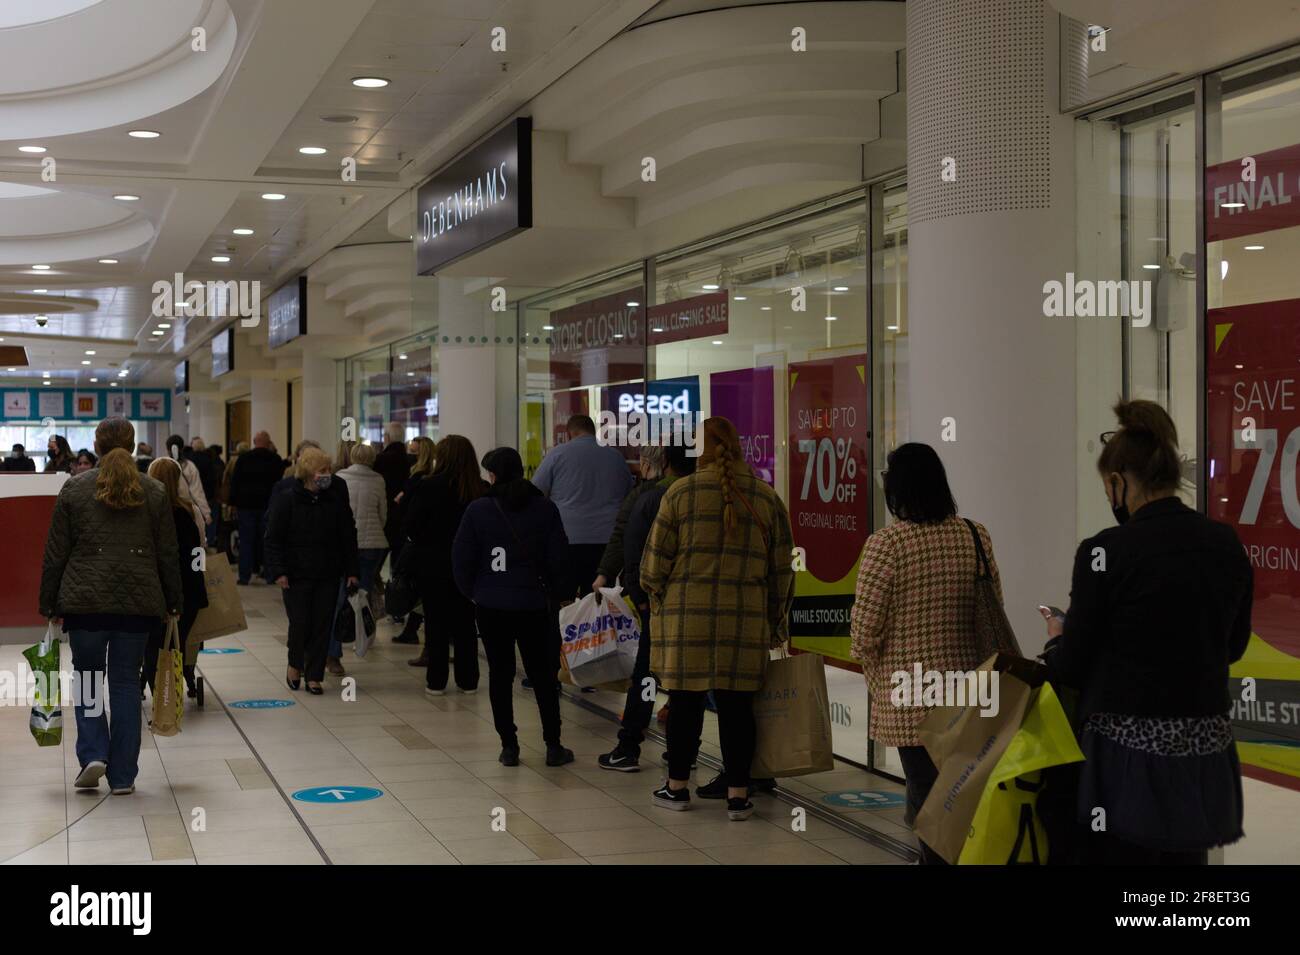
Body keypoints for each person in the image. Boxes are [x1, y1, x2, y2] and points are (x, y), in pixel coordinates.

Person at [1040, 400, 1252, 866]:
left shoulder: (1104, 552)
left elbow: (1073, 665)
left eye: (1107, 487)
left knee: (1117, 855)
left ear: (1119, 481)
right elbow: (1233, 645)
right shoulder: (1225, 543)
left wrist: (1058, 636)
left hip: (1125, 752)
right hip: (1204, 749)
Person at [848, 442, 1001, 864]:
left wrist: (867, 658)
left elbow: (864, 631)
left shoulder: (887, 544)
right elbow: (994, 608)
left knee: (926, 790)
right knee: (957, 790)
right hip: (968, 690)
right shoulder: (974, 534)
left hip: (909, 692)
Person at [641, 417, 795, 821]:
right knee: (737, 707)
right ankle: (738, 796)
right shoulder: (765, 497)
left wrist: (658, 599)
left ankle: (676, 788)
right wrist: (776, 620)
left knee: (685, 703)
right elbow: (782, 569)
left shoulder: (680, 493)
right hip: (744, 620)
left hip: (686, 618)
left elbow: (653, 566)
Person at [38, 416, 182, 796]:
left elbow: (56, 553)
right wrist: (173, 601)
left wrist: (48, 601)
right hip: (137, 605)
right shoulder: (153, 491)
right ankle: (123, 776)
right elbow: (168, 553)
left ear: (97, 447)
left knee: (87, 680)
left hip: (85, 604)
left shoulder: (74, 489)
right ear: (132, 446)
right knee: (124, 684)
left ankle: (93, 755)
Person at [453, 446, 574, 767]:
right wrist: (560, 594)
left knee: (500, 674)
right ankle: (553, 745)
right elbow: (559, 557)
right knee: (544, 675)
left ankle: (509, 745)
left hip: (491, 605)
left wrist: (475, 593)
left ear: (493, 475)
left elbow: (461, 559)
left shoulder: (478, 510)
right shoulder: (545, 508)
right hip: (534, 604)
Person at [598, 444, 695, 772]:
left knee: (647, 672)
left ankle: (629, 747)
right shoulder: (706, 496)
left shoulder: (651, 498)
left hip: (658, 601)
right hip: (693, 604)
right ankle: (684, 750)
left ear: (665, 463)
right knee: (688, 678)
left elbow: (632, 546)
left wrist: (639, 595)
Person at [264, 447, 359, 695]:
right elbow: (273, 538)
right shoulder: (287, 499)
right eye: (322, 471)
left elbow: (348, 535)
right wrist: (279, 571)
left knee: (322, 625)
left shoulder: (335, 499)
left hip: (328, 571)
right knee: (300, 623)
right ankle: (295, 663)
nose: (328, 475)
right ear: (308, 473)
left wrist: (352, 570)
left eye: (328, 470)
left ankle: (314, 676)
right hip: (296, 574)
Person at [404, 435, 486, 694]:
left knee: (436, 622)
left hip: (433, 563)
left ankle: (436, 680)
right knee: (466, 623)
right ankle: (468, 679)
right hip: (470, 566)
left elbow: (411, 525)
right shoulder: (479, 489)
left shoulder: (429, 486)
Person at [532, 414, 632, 599]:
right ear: (594, 432)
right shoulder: (615, 456)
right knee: (599, 602)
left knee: (564, 599)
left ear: (569, 434)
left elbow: (535, 492)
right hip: (606, 542)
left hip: (567, 539)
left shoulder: (557, 454)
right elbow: (629, 495)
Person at [142, 457, 208, 698]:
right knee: (176, 644)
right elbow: (200, 548)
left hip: (153, 587)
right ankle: (175, 689)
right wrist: (198, 575)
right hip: (188, 589)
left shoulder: (144, 510)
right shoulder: (191, 511)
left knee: (153, 646)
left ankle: (161, 697)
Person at [332, 442, 388, 676]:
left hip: (344, 546)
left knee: (339, 597)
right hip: (373, 544)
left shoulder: (339, 478)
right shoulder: (378, 479)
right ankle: (363, 639)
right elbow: (382, 514)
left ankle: (334, 650)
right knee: (363, 595)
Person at [592, 446, 666, 593]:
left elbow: (620, 534)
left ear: (646, 464)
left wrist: (604, 574)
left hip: (641, 573)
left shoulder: (638, 495)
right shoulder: (676, 490)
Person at [391, 436, 435, 651]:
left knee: (417, 586)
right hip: (418, 539)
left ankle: (412, 630)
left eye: (414, 452)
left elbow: (410, 505)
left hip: (416, 540)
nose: (409, 455)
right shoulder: (422, 475)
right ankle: (411, 629)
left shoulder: (421, 477)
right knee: (420, 589)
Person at [229, 431, 285, 585]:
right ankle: (269, 574)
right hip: (268, 505)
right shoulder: (275, 460)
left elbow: (235, 482)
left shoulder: (244, 458)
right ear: (268, 442)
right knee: (267, 540)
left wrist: (233, 503)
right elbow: (279, 484)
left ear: (254, 441)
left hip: (246, 506)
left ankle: (244, 576)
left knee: (246, 541)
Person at [165, 434, 212, 534]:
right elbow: (197, 492)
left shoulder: (160, 466)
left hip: (166, 511)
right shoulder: (190, 466)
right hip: (186, 511)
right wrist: (206, 513)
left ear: (167, 449)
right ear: (182, 448)